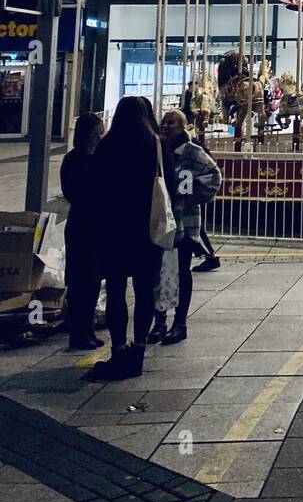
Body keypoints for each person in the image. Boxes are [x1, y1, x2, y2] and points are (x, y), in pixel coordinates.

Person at [85, 95, 178, 381]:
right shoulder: (158, 145)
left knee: (115, 290)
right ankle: (138, 351)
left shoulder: (108, 146)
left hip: (113, 230)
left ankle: (118, 349)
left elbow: (95, 188)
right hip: (146, 229)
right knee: (144, 290)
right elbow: (170, 185)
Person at [147, 110, 222, 345]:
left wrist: (189, 195)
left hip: (184, 222)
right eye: (164, 122)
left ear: (182, 127)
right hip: (161, 221)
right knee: (159, 272)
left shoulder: (192, 152)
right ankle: (159, 320)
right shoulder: (159, 150)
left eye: (171, 122)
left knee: (180, 270)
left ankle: (180, 322)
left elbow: (213, 175)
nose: (166, 126)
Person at [60, 112, 105, 350]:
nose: (100, 138)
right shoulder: (74, 160)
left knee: (93, 279)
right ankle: (78, 331)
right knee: (80, 280)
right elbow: (71, 191)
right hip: (81, 225)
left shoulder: (97, 159)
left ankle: (86, 328)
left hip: (95, 224)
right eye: (98, 134)